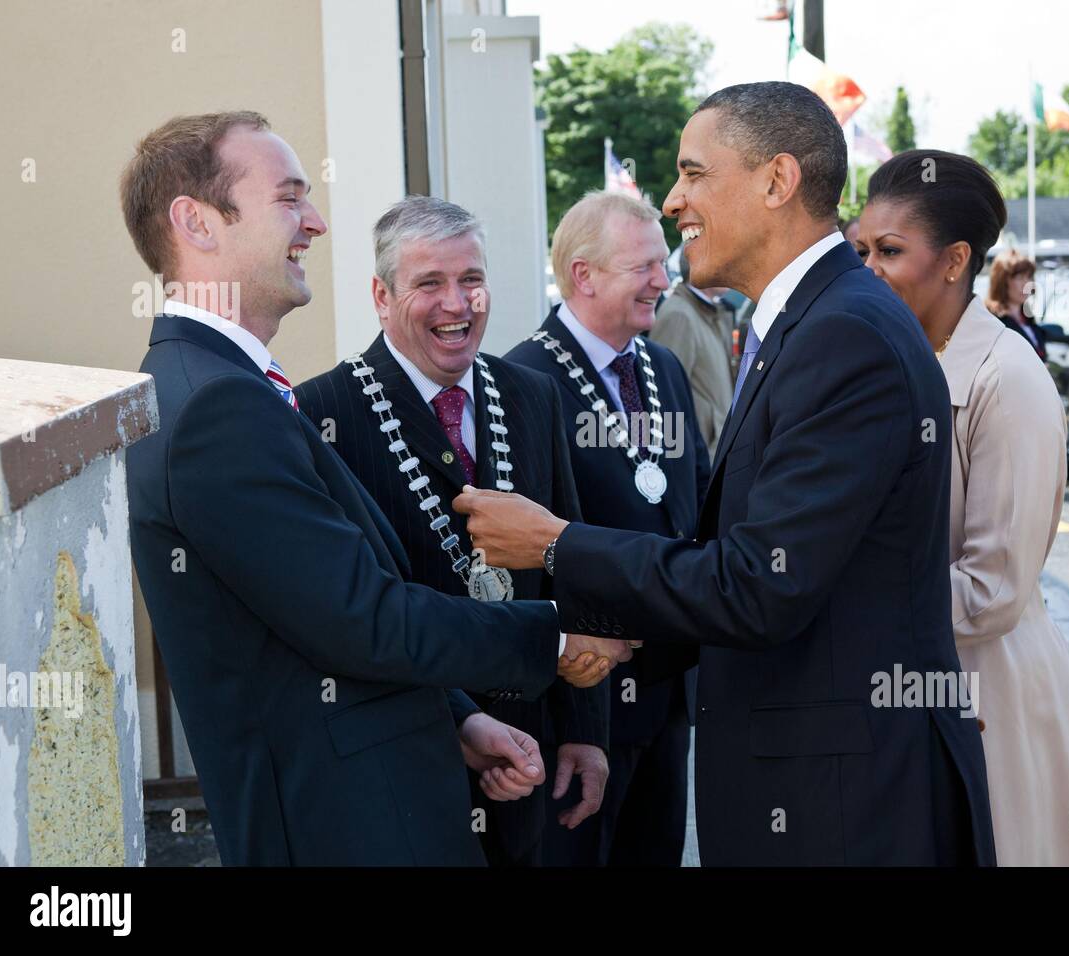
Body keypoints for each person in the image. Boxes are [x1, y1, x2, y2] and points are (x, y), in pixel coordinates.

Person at [456, 82, 996, 866]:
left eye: (694, 173)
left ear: (777, 182)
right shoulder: (809, 325)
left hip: (846, 807)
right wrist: (617, 640)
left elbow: (759, 585)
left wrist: (554, 544)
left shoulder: (843, 335)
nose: (673, 200)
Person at [122, 111, 626, 866]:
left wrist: (461, 720)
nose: (315, 222)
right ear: (196, 222)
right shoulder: (215, 406)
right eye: (289, 197)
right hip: (347, 826)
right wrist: (553, 637)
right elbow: (363, 618)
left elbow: (320, 613)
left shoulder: (216, 385)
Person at [294, 196, 610, 866]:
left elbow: (569, 564)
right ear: (381, 297)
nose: (456, 304)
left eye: (470, 280)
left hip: (531, 754)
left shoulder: (532, 394)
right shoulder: (322, 413)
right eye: (429, 283)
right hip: (408, 752)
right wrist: (460, 717)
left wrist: (586, 730)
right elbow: (345, 613)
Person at [855, 149, 1069, 865]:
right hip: (909, 677)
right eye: (860, 249)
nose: (867, 268)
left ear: (955, 260)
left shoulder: (1009, 376)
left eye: (889, 251)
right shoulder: (898, 356)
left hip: (989, 685)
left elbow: (994, 588)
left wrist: (844, 604)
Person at [506, 190, 709, 866]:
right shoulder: (523, 379)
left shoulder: (662, 367)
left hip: (667, 693)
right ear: (583, 275)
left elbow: (692, 501)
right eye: (643, 266)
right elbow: (522, 564)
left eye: (663, 263)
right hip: (580, 704)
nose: (662, 280)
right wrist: (576, 718)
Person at [650, 250, 736, 458]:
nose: (731, 267)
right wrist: (683, 463)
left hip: (715, 452)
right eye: (724, 259)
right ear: (699, 265)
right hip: (700, 457)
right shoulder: (678, 315)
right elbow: (665, 398)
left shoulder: (714, 312)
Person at [985, 249, 1046, 360]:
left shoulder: (1028, 318)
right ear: (1002, 281)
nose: (1026, 284)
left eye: (1029, 277)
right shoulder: (992, 321)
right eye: (1019, 278)